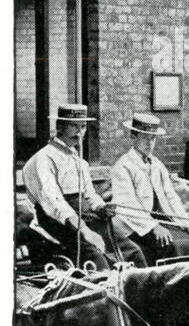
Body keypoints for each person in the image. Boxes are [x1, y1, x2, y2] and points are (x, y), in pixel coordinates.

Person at [21, 103, 144, 269]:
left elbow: (90, 195)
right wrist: (85, 231)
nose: (80, 133)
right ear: (59, 127)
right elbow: (53, 202)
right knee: (96, 257)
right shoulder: (44, 159)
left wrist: (101, 207)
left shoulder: (80, 162)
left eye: (83, 127)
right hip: (57, 221)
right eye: (74, 126)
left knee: (132, 251)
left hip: (86, 215)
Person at [110, 113, 189, 264]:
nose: (150, 143)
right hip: (135, 226)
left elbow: (171, 197)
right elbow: (128, 206)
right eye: (145, 137)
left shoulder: (157, 165)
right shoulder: (123, 166)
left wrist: (187, 225)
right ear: (133, 136)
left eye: (153, 138)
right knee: (175, 246)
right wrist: (154, 226)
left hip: (161, 222)